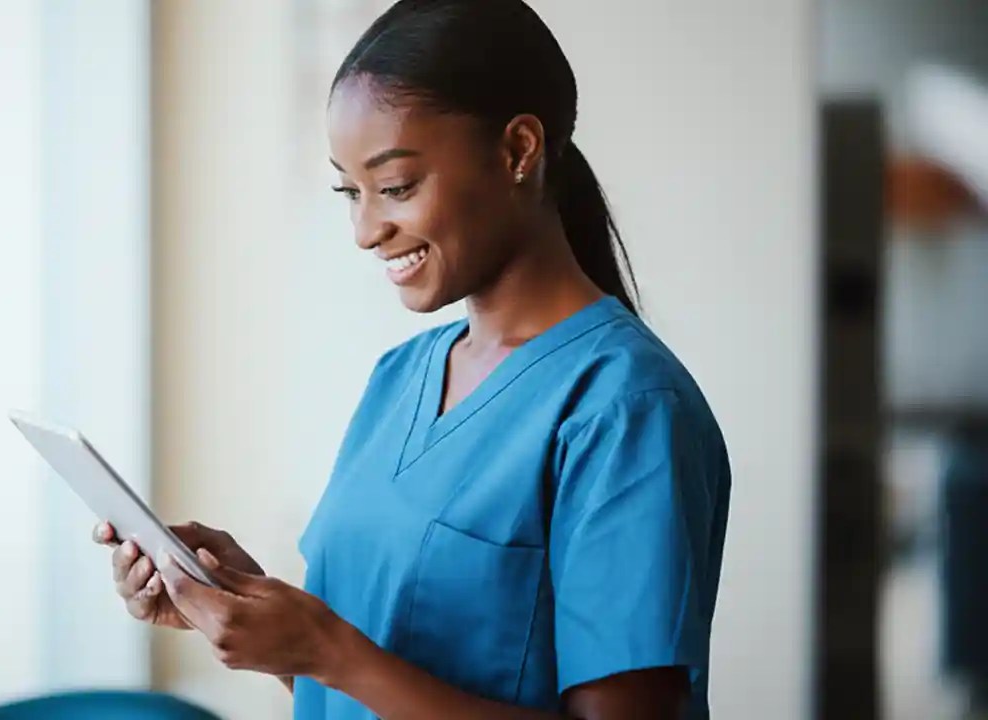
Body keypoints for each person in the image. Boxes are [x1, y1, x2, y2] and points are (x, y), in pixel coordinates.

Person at [94, 1, 730, 717]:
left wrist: (327, 649)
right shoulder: (400, 378)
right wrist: (255, 616)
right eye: (349, 192)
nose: (367, 230)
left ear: (519, 151)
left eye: (395, 187)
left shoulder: (624, 409)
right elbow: (366, 688)